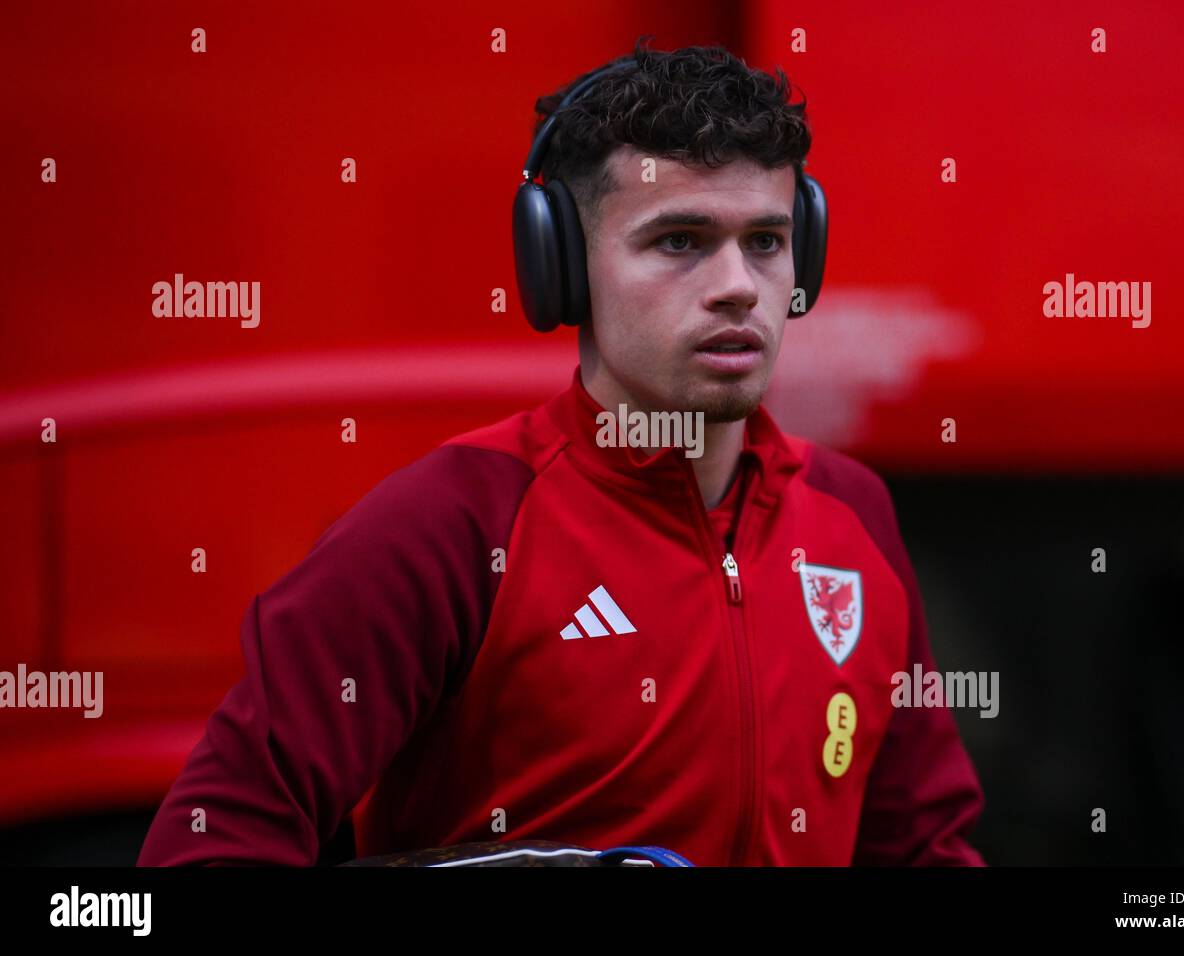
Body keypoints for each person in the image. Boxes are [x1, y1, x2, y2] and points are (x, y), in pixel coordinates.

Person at [137, 38, 985, 867]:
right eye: (680, 240)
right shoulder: (450, 526)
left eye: (765, 241)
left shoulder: (852, 515)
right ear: (563, 267)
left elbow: (922, 847)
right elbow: (214, 837)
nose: (737, 284)